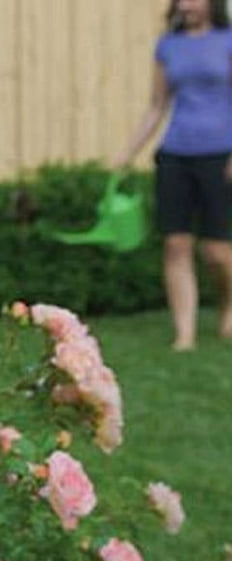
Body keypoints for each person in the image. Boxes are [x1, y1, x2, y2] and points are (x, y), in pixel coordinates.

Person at [115, 0, 232, 350]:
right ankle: (185, 333)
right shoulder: (167, 45)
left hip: (219, 153)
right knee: (175, 244)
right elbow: (157, 105)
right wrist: (127, 152)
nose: (187, 4)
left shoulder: (228, 40)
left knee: (216, 251)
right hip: (175, 153)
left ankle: (228, 305)